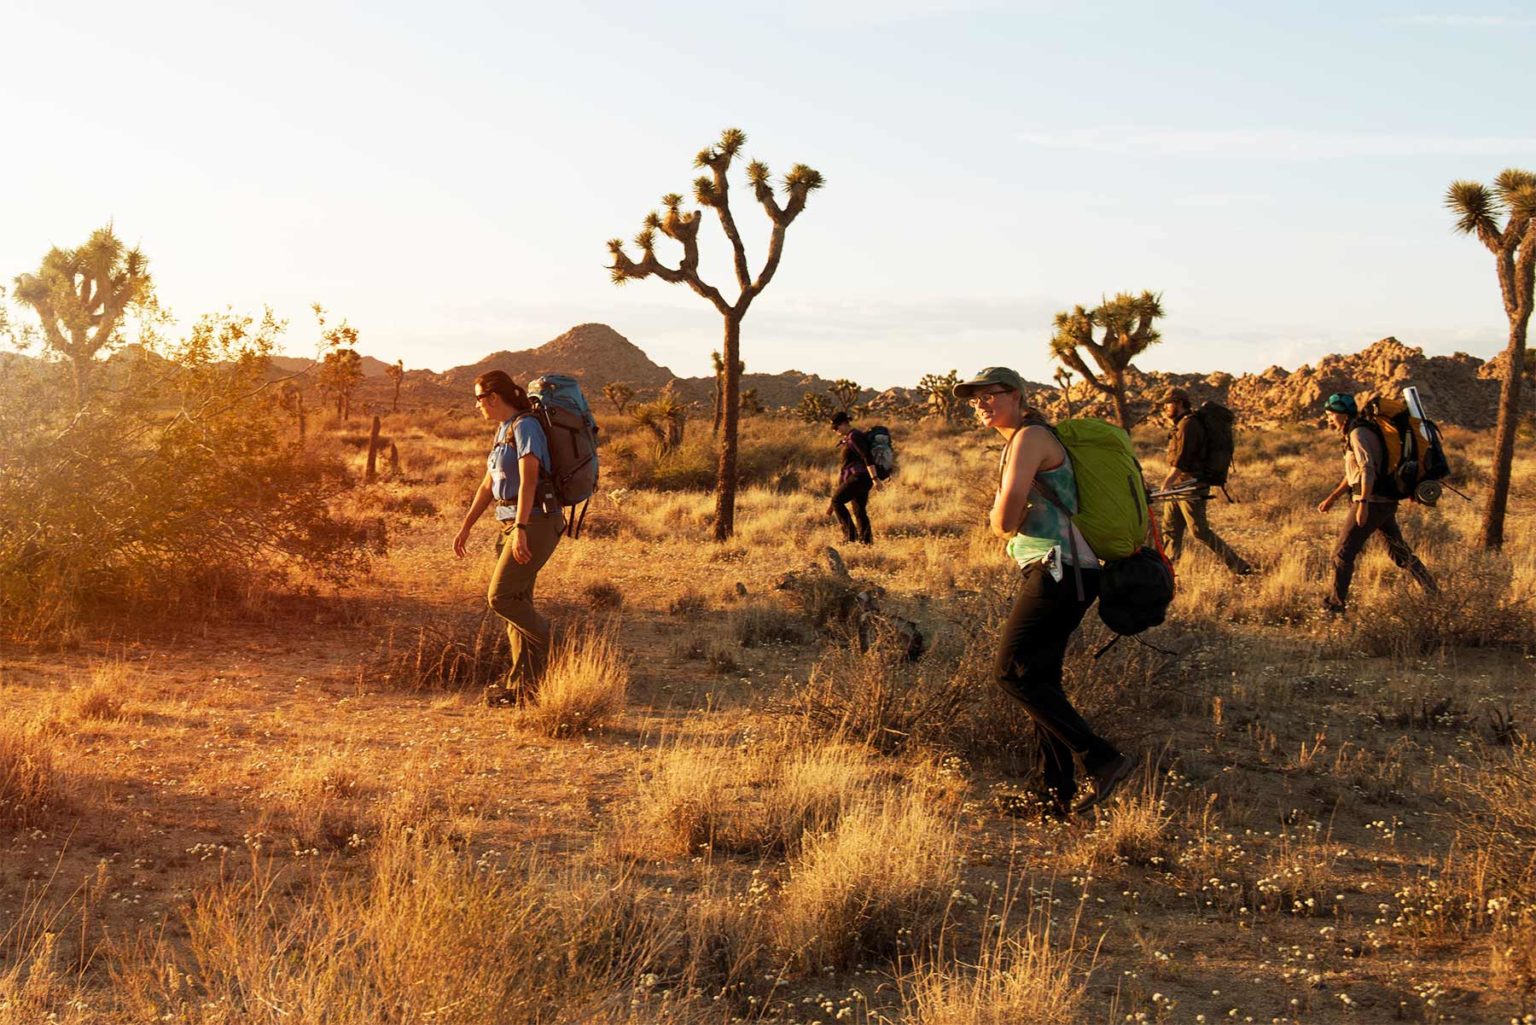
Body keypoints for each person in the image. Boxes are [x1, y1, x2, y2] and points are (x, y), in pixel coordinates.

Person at [952, 367, 1137, 818]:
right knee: (1041, 676)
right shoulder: (1032, 437)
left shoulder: (1028, 439)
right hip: (1069, 570)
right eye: (973, 398)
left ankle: (1101, 758)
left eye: (989, 395)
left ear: (1015, 395)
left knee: (1012, 672)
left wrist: (997, 517)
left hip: (1060, 569)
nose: (980, 403)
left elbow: (1006, 519)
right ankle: (1051, 792)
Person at [453, 370, 565, 704]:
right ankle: (523, 690)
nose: (477, 407)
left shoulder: (525, 426)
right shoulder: (503, 431)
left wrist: (521, 529)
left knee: (501, 598)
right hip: (512, 523)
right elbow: (489, 485)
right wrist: (466, 525)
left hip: (536, 522)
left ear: (493, 397)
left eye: (478, 399)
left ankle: (549, 642)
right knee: (517, 604)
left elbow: (530, 478)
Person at [1316, 393, 1438, 614]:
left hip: (1371, 501)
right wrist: (1332, 498)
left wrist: (1362, 502)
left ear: (1342, 415)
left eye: (1331, 415)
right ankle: (1434, 592)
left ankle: (1334, 606)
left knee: (1343, 554)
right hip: (1383, 501)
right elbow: (1353, 474)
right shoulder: (1358, 431)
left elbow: (1367, 469)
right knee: (1400, 554)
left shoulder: (1358, 433)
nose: (1329, 419)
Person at [1158, 388, 1254, 575]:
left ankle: (1240, 567)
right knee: (1170, 529)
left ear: (1178, 403)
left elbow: (1182, 458)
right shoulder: (1182, 424)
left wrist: (1168, 481)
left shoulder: (1189, 425)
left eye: (1168, 403)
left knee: (1199, 531)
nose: (1165, 408)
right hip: (1180, 486)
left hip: (1192, 486)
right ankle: (1168, 572)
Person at [827, 411, 878, 545]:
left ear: (844, 424)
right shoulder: (851, 437)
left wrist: (875, 478)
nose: (835, 431)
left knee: (837, 501)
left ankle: (850, 537)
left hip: (860, 477)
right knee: (859, 510)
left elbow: (867, 456)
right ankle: (866, 542)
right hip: (862, 478)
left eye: (836, 428)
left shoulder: (854, 436)